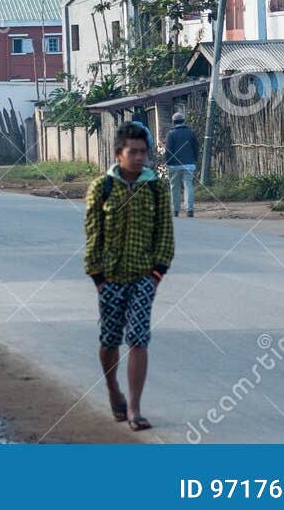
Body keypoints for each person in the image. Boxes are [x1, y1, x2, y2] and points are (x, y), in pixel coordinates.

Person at [84, 121, 175, 433]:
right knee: (110, 338)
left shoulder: (157, 188)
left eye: (143, 152)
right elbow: (92, 234)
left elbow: (165, 233)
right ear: (118, 154)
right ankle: (113, 389)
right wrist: (98, 276)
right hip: (108, 277)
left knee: (139, 338)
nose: (139, 158)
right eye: (132, 152)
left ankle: (135, 408)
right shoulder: (102, 187)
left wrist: (156, 274)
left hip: (143, 278)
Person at [163, 110, 199, 218]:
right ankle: (190, 210)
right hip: (189, 164)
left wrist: (168, 163)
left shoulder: (171, 134)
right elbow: (196, 147)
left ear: (173, 122)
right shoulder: (190, 132)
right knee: (188, 185)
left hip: (174, 165)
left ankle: (175, 211)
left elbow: (168, 150)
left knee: (174, 187)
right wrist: (194, 159)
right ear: (183, 121)